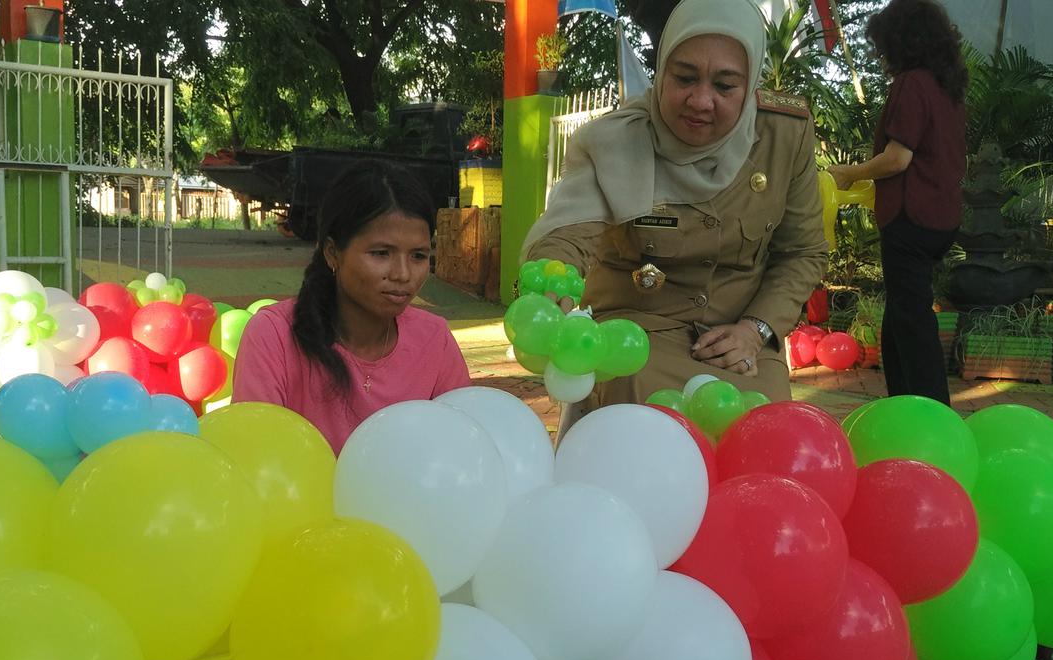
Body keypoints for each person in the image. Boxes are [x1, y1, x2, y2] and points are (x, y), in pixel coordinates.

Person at [523, 0, 827, 407]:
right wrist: (551, 286)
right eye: (684, 78)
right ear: (662, 71)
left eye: (725, 86)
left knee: (768, 429)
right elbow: (569, 235)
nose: (700, 101)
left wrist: (755, 330)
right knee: (643, 420)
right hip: (635, 336)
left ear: (751, 85)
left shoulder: (784, 136)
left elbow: (803, 251)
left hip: (741, 342)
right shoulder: (618, 141)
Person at [233, 160, 471, 453]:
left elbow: (462, 449)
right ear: (332, 253)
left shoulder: (435, 340)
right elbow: (253, 455)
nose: (403, 274)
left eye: (418, 256)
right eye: (381, 253)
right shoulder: (273, 337)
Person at [828, 0, 967, 406]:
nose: (880, 55)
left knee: (913, 320)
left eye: (883, 45)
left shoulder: (912, 83)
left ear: (902, 41)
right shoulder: (947, 87)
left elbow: (898, 158)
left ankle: (931, 412)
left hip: (911, 218)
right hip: (941, 218)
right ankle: (901, 404)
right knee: (900, 317)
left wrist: (850, 173)